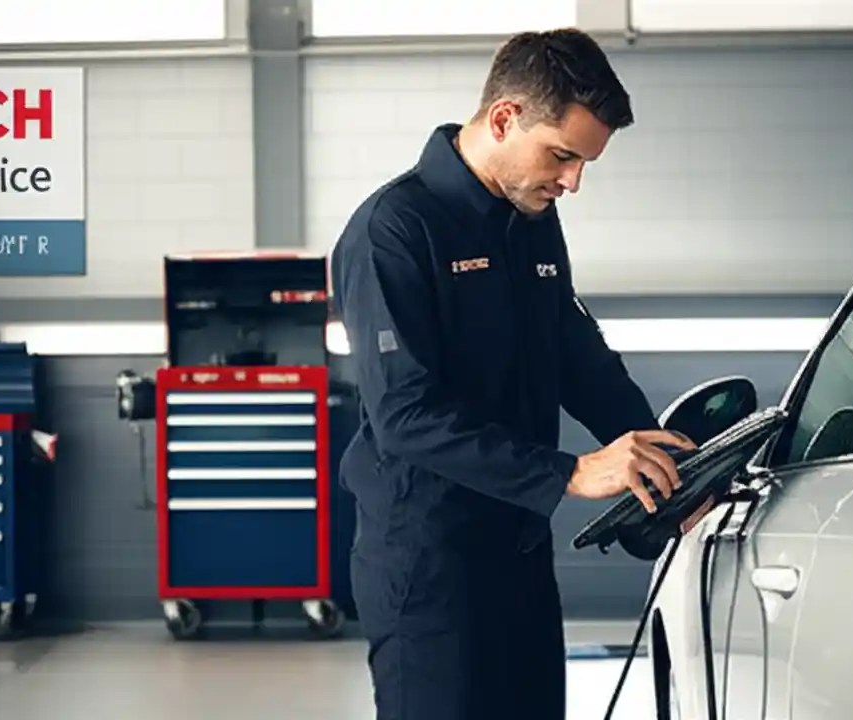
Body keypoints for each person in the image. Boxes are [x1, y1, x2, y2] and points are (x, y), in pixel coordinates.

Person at [328, 27, 695, 720]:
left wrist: (662, 462)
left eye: (584, 164)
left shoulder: (531, 219)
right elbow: (405, 416)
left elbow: (575, 353)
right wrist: (571, 474)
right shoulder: (394, 231)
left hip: (520, 553)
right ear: (504, 118)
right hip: (430, 570)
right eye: (562, 156)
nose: (572, 182)